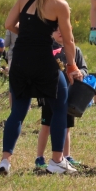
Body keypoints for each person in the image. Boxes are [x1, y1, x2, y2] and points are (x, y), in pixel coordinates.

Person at [0, 0, 82, 177]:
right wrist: (72, 65)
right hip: (44, 63)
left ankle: (5, 161)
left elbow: (8, 24)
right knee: (60, 107)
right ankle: (56, 160)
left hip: (20, 61)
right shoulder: (60, 5)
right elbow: (69, 40)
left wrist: (27, 35)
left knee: (18, 111)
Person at [34, 29, 90, 172]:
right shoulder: (48, 49)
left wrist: (80, 73)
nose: (60, 32)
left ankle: (66, 155)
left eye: (62, 29)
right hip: (50, 94)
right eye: (56, 29)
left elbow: (84, 69)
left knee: (66, 127)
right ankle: (39, 157)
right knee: (46, 126)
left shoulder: (74, 50)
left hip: (69, 95)